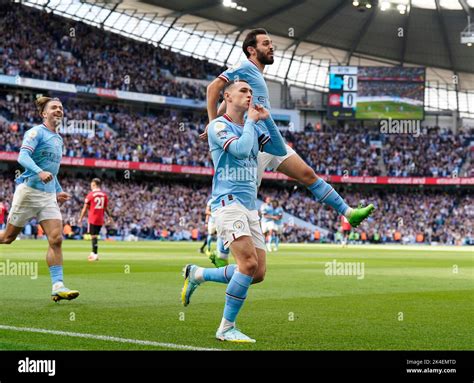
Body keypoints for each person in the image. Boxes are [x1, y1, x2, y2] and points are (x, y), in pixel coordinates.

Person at [204, 28, 374, 227]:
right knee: (244, 200)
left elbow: (227, 102)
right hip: (252, 143)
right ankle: (220, 250)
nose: (271, 47)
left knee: (307, 174)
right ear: (251, 50)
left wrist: (220, 116)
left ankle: (348, 212)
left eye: (271, 43)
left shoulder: (250, 77)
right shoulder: (245, 66)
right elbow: (213, 88)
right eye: (265, 43)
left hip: (269, 140)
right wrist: (214, 123)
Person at [181, 80, 286, 343]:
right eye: (243, 91)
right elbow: (239, 150)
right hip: (228, 204)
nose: (249, 95)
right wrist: (252, 122)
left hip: (250, 208)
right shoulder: (218, 125)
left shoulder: (252, 124)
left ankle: (198, 273)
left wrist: (267, 119)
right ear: (227, 96)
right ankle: (226, 328)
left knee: (257, 272)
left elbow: (279, 150)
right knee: (247, 264)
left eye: (251, 91)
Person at [0, 96, 79, 302]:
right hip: (28, 192)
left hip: (48, 196)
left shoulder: (59, 138)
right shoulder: (35, 132)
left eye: (61, 108)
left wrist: (58, 189)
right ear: (44, 113)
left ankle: (58, 286)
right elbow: (22, 158)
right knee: (8, 238)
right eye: (54, 107)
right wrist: (39, 171)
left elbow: (53, 170)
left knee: (56, 239)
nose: (58, 110)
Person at [78, 178, 112, 261]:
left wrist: (80, 218)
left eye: (91, 185)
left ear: (94, 185)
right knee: (95, 235)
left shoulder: (90, 195)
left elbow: (84, 208)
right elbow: (106, 208)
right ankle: (93, 253)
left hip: (93, 218)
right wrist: (109, 217)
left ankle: (95, 254)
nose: (91, 187)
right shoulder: (104, 195)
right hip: (100, 218)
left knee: (93, 237)